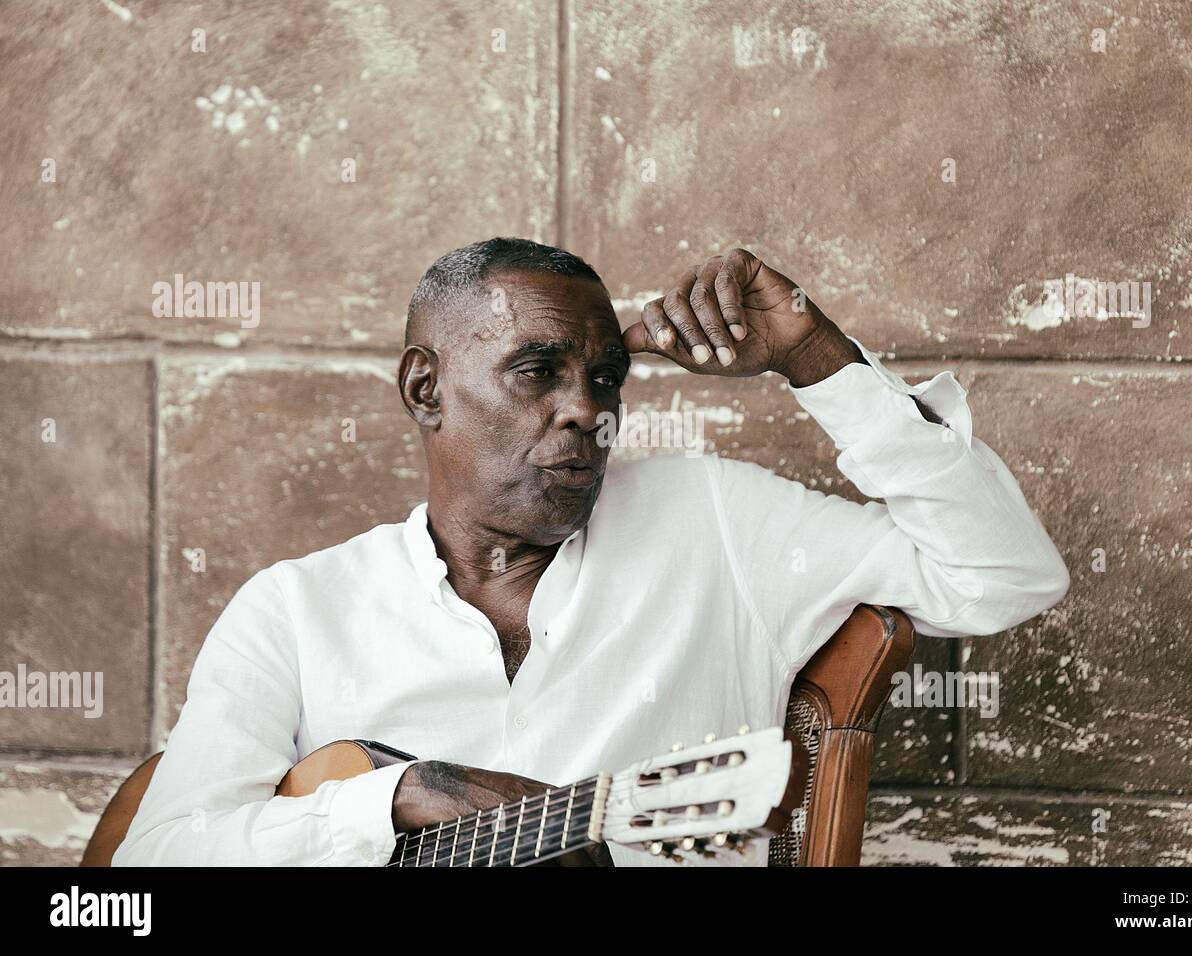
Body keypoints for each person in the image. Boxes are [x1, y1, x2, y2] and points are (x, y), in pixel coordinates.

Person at [113, 238, 1069, 867]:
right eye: (537, 371)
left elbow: (1003, 577)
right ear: (424, 388)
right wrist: (404, 796)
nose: (585, 408)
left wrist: (813, 355)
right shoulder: (296, 608)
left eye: (605, 379)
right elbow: (150, 857)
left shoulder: (715, 520)